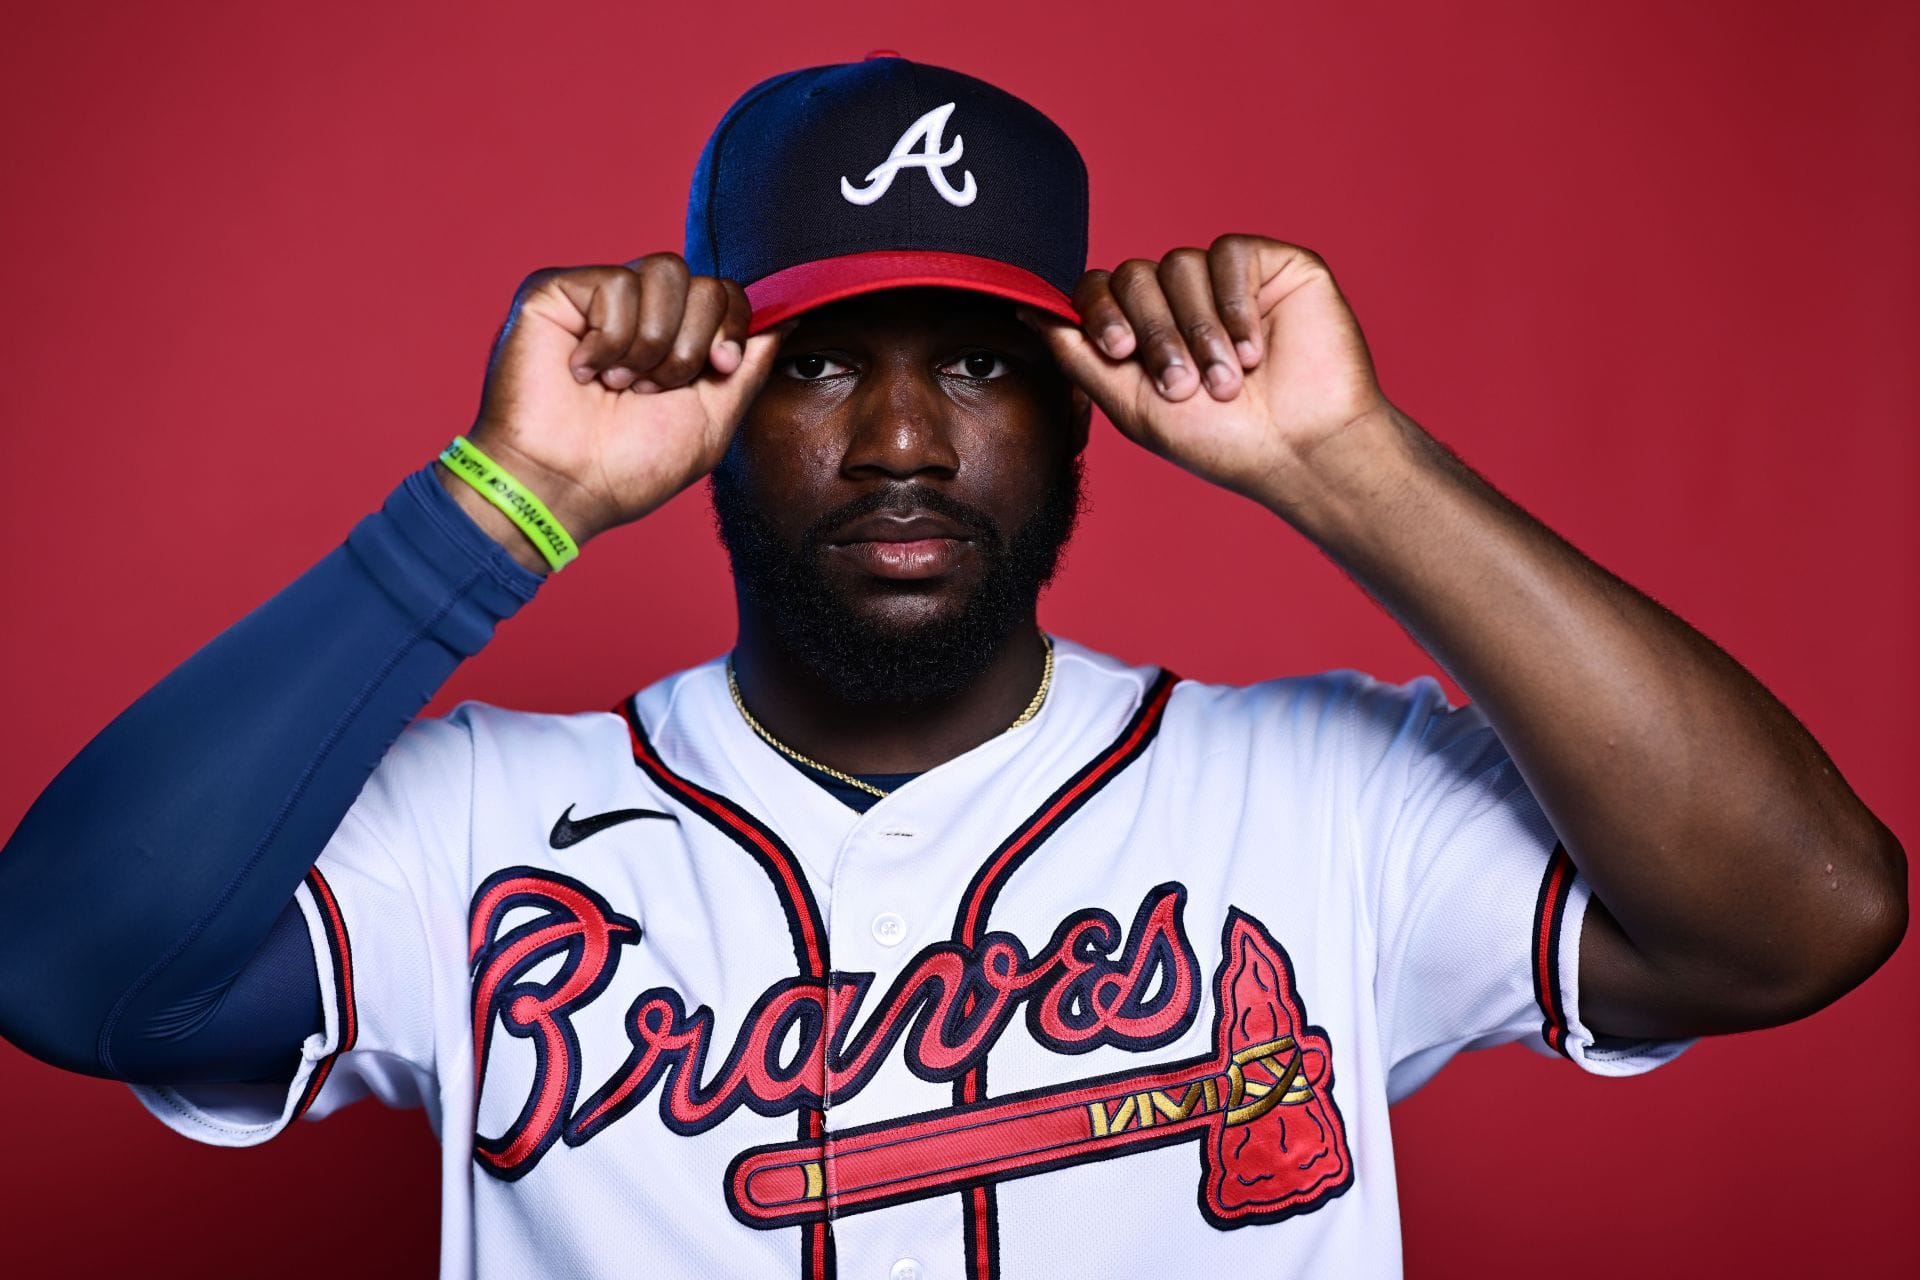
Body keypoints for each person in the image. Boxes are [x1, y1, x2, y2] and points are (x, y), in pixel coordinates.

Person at [0, 52, 1904, 1280]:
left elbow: (1801, 917)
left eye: (982, 363)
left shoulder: (1322, 804)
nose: (904, 440)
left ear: (1086, 415)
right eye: (825, 361)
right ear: (713, 410)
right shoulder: (477, 826)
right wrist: (499, 510)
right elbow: (68, 970)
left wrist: (1353, 468)